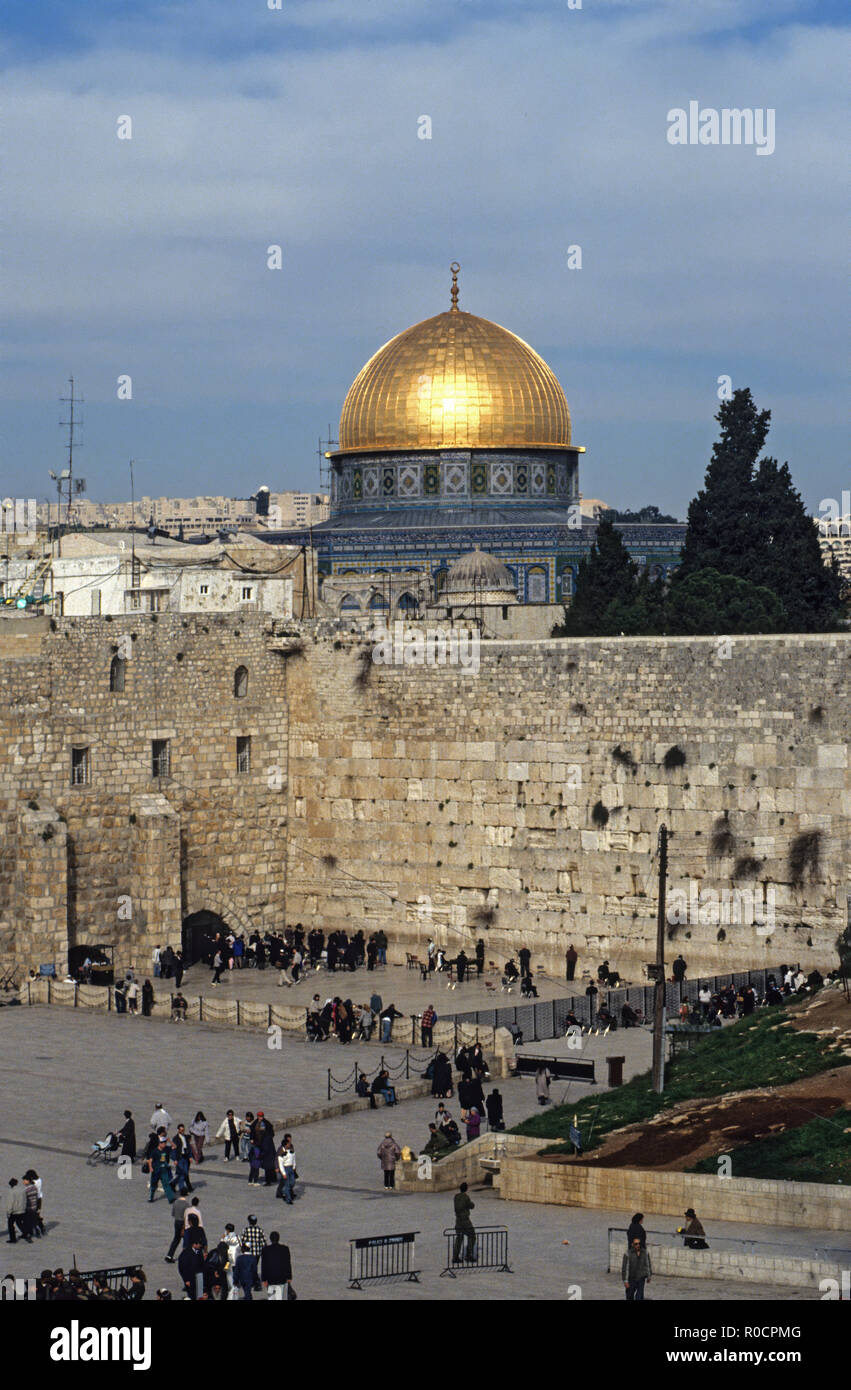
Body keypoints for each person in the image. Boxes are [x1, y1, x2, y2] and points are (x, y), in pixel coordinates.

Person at [260, 1231, 293, 1300]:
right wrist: (289, 1276)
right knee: (279, 1295)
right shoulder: (285, 1249)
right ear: (278, 1238)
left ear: (270, 1239)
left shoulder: (265, 1250)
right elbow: (287, 1264)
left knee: (271, 1296)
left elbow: (264, 1265)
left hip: (270, 1278)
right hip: (281, 1277)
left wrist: (264, 1279)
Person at [147, 1138, 176, 1203]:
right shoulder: (155, 1151)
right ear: (159, 1143)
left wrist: (169, 1141)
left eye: (165, 1143)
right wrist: (150, 1168)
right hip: (156, 1170)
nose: (164, 1145)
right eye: (163, 1143)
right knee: (153, 1184)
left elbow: (174, 1146)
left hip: (163, 1170)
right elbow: (150, 1160)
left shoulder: (166, 1149)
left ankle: (171, 1198)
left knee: (166, 1184)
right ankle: (151, 1197)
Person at [453, 1182, 476, 1263]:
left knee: (459, 1239)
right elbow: (471, 1205)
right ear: (466, 1189)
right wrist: (472, 1204)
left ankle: (455, 1257)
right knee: (472, 1236)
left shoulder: (456, 1197)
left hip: (458, 1221)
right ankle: (468, 1255)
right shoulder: (466, 1197)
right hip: (465, 1221)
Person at [6, 1178, 29, 1244]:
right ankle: (25, 1233)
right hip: (22, 1210)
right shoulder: (22, 1190)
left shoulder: (11, 1191)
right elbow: (25, 1200)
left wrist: (8, 1212)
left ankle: (13, 1239)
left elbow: (10, 1202)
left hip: (14, 1211)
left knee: (10, 1225)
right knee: (19, 1223)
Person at [275, 1137, 296, 1204]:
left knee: (292, 1182)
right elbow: (280, 1164)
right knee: (286, 1184)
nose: (289, 1144)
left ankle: (285, 1191)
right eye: (288, 1144)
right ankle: (288, 1199)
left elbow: (294, 1158)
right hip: (285, 1168)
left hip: (291, 1168)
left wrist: (294, 1166)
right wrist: (283, 1173)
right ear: (285, 1145)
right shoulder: (281, 1153)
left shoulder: (291, 1150)